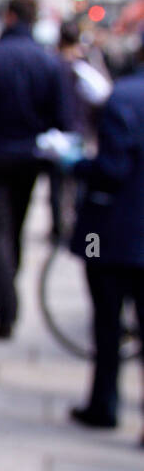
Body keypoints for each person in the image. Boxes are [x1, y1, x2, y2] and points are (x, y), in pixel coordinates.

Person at [0, 0, 75, 338]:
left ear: (9, 16)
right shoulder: (49, 62)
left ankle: (5, 309)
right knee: (14, 227)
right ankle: (9, 292)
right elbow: (63, 120)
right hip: (28, 159)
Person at [57, 42, 144, 443]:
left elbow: (111, 169)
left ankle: (104, 405)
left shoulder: (123, 98)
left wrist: (76, 163)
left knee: (108, 324)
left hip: (117, 233)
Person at [52, 22, 112, 238]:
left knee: (59, 181)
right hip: (79, 128)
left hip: (59, 130)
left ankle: (59, 226)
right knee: (75, 179)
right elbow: (103, 93)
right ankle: (72, 223)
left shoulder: (55, 63)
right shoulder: (84, 64)